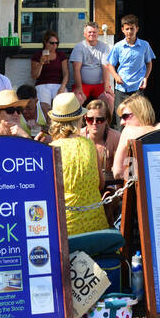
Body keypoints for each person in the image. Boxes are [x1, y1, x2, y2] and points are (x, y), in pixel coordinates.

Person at [47, 93, 108, 236]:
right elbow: (100, 184)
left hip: (66, 229)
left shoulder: (51, 149)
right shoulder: (89, 144)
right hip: (97, 228)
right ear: (79, 119)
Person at [111, 93, 160, 180]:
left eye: (125, 116)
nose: (121, 122)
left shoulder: (128, 132)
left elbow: (117, 172)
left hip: (138, 189)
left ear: (140, 113)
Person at [105, 15, 155, 106]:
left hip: (138, 87)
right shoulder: (118, 46)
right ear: (122, 30)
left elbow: (149, 63)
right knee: (120, 117)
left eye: (132, 28)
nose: (129, 31)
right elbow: (110, 64)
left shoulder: (145, 45)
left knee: (138, 117)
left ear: (137, 29)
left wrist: (145, 78)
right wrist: (116, 76)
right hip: (122, 88)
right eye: (127, 29)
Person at [69, 23, 112, 104]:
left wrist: (106, 87)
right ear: (84, 34)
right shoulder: (79, 47)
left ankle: (108, 117)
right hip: (83, 85)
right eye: (89, 32)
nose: (92, 34)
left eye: (94, 32)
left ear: (98, 33)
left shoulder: (104, 47)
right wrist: (78, 87)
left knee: (109, 99)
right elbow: (76, 68)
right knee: (77, 99)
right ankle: (79, 117)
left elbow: (106, 68)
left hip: (100, 85)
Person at [30, 30, 69, 117]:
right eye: (52, 43)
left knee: (62, 105)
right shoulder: (37, 55)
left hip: (58, 84)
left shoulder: (61, 55)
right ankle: (47, 126)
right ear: (45, 42)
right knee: (44, 108)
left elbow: (66, 73)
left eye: (56, 43)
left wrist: (62, 87)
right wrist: (41, 63)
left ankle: (60, 126)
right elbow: (35, 76)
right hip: (42, 84)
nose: (54, 45)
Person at [80, 97, 120, 180]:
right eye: (90, 119)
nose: (94, 123)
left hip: (109, 185)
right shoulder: (79, 136)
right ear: (85, 118)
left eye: (99, 120)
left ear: (107, 120)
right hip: (84, 184)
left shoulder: (115, 137)